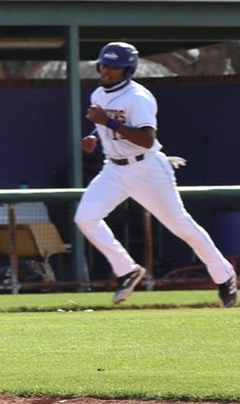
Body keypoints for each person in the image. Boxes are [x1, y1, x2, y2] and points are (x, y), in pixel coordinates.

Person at [76, 42, 238, 306]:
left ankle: (224, 276)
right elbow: (107, 127)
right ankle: (127, 270)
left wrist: (107, 122)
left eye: (114, 67)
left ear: (127, 69)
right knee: (85, 217)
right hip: (114, 169)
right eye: (104, 65)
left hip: (146, 168)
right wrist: (95, 135)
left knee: (181, 226)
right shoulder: (98, 95)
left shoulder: (137, 97)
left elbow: (147, 139)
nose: (107, 70)